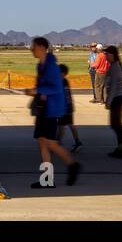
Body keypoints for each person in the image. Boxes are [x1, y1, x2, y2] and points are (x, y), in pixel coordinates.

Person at [26, 37, 80, 187]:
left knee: (51, 143)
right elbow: (43, 86)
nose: (32, 49)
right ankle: (47, 179)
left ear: (42, 48)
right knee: (42, 142)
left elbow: (56, 89)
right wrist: (35, 91)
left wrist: (38, 90)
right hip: (43, 109)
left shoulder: (52, 67)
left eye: (34, 46)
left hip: (51, 110)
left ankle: (72, 164)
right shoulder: (40, 66)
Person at [104, 45, 122, 158]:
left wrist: (108, 101)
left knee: (115, 124)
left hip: (117, 98)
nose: (105, 55)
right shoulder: (113, 65)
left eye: (107, 54)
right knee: (115, 124)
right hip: (118, 97)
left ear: (112, 55)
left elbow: (114, 86)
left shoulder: (115, 67)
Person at [57, 64, 82, 152]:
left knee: (61, 126)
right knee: (68, 124)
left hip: (64, 107)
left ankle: (58, 142)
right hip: (68, 106)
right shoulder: (65, 81)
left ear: (62, 73)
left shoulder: (60, 82)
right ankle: (77, 141)